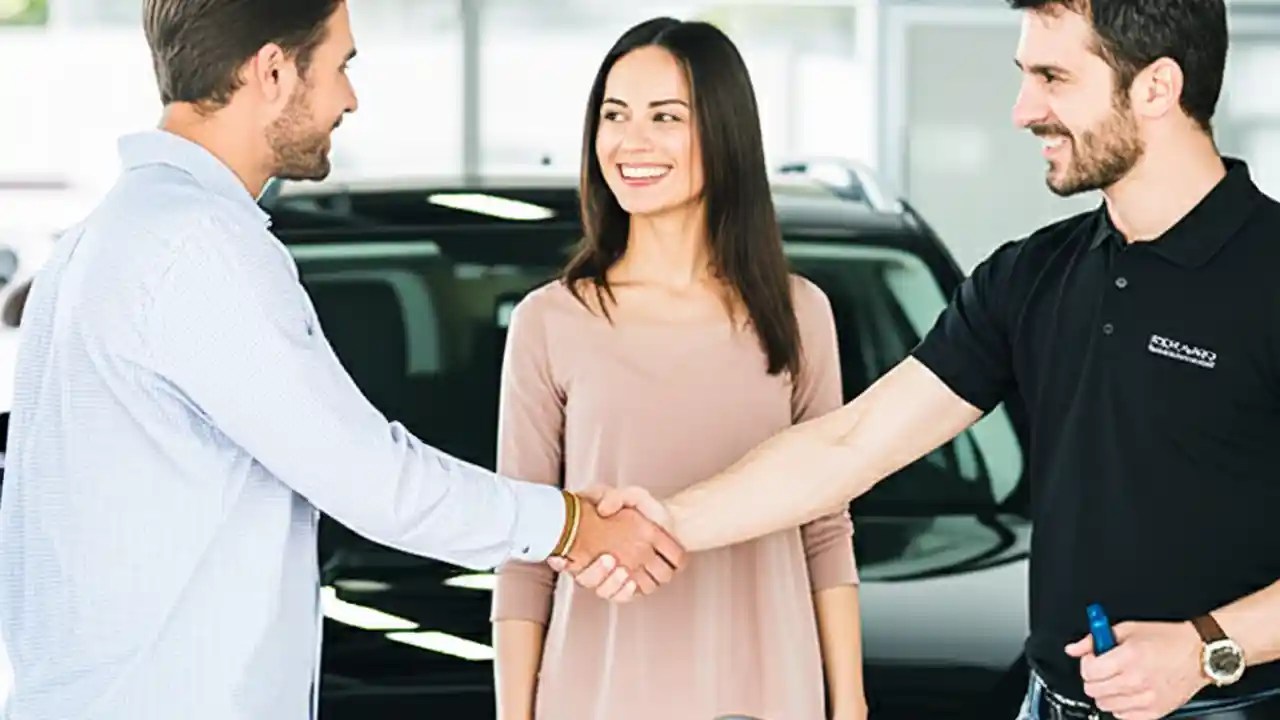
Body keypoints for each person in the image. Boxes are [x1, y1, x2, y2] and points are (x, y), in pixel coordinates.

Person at [571, 1, 1280, 718]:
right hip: (1049, 703)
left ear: (1156, 87)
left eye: (1053, 78)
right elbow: (852, 443)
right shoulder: (1028, 277)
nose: (1022, 110)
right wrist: (663, 519)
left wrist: (1206, 649)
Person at [0, 2, 683, 718]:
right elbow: (374, 480)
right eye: (339, 66)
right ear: (271, 71)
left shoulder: (106, 238)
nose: (350, 98)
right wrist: (574, 525)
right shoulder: (196, 247)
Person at [488, 17, 865, 720]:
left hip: (770, 698)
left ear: (723, 133)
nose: (632, 141)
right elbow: (524, 546)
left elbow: (826, 527)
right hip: (596, 699)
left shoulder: (799, 313)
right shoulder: (551, 320)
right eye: (614, 115)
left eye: (665, 117)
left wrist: (851, 706)